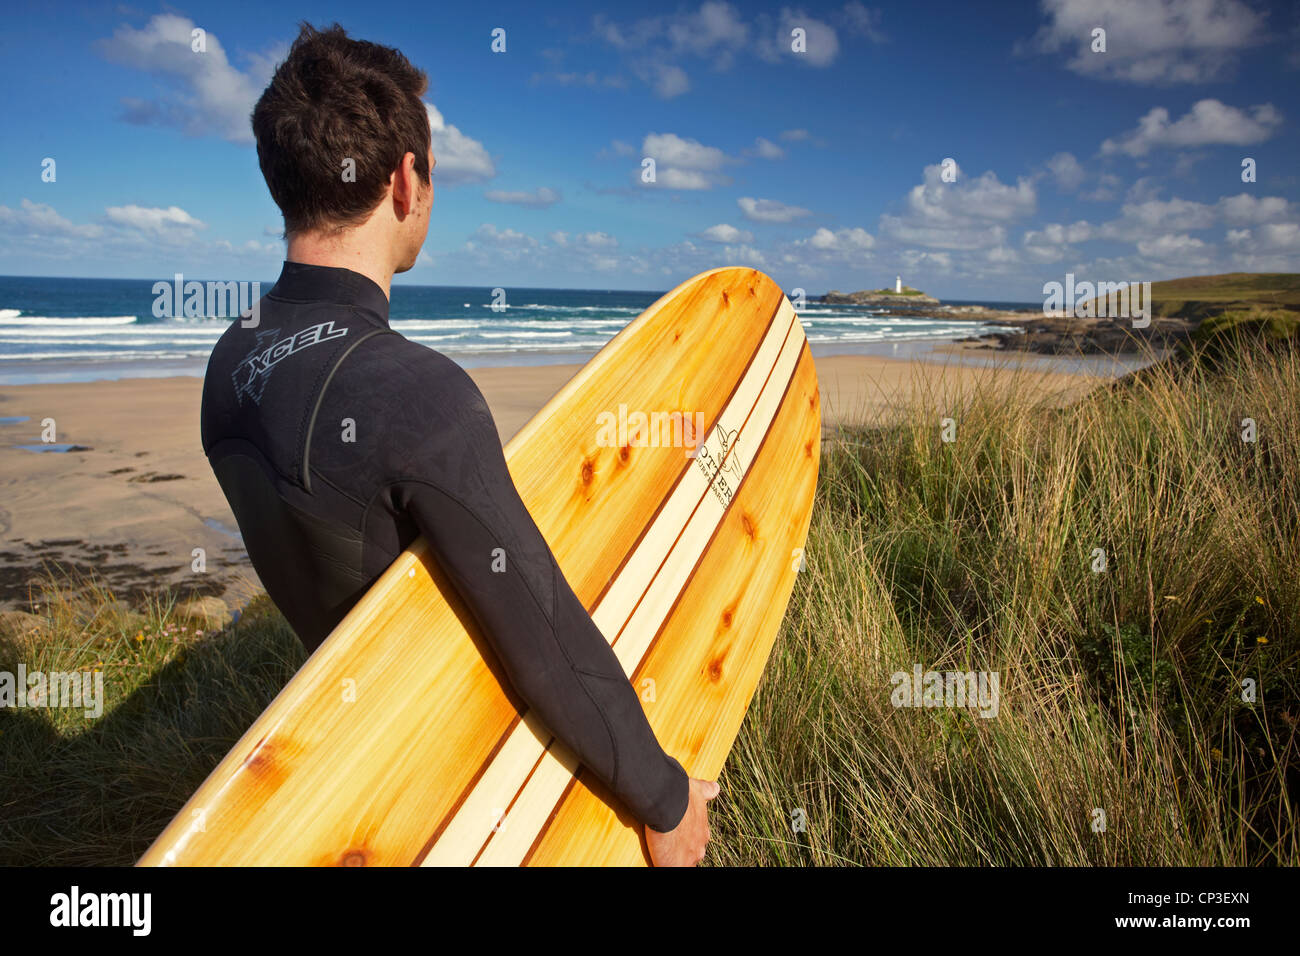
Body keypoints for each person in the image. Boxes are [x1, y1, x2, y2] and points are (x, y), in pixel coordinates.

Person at [199, 22, 718, 866]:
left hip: (356, 775)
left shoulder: (231, 361)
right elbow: (546, 641)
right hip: (460, 798)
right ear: (407, 180)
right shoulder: (415, 394)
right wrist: (663, 797)